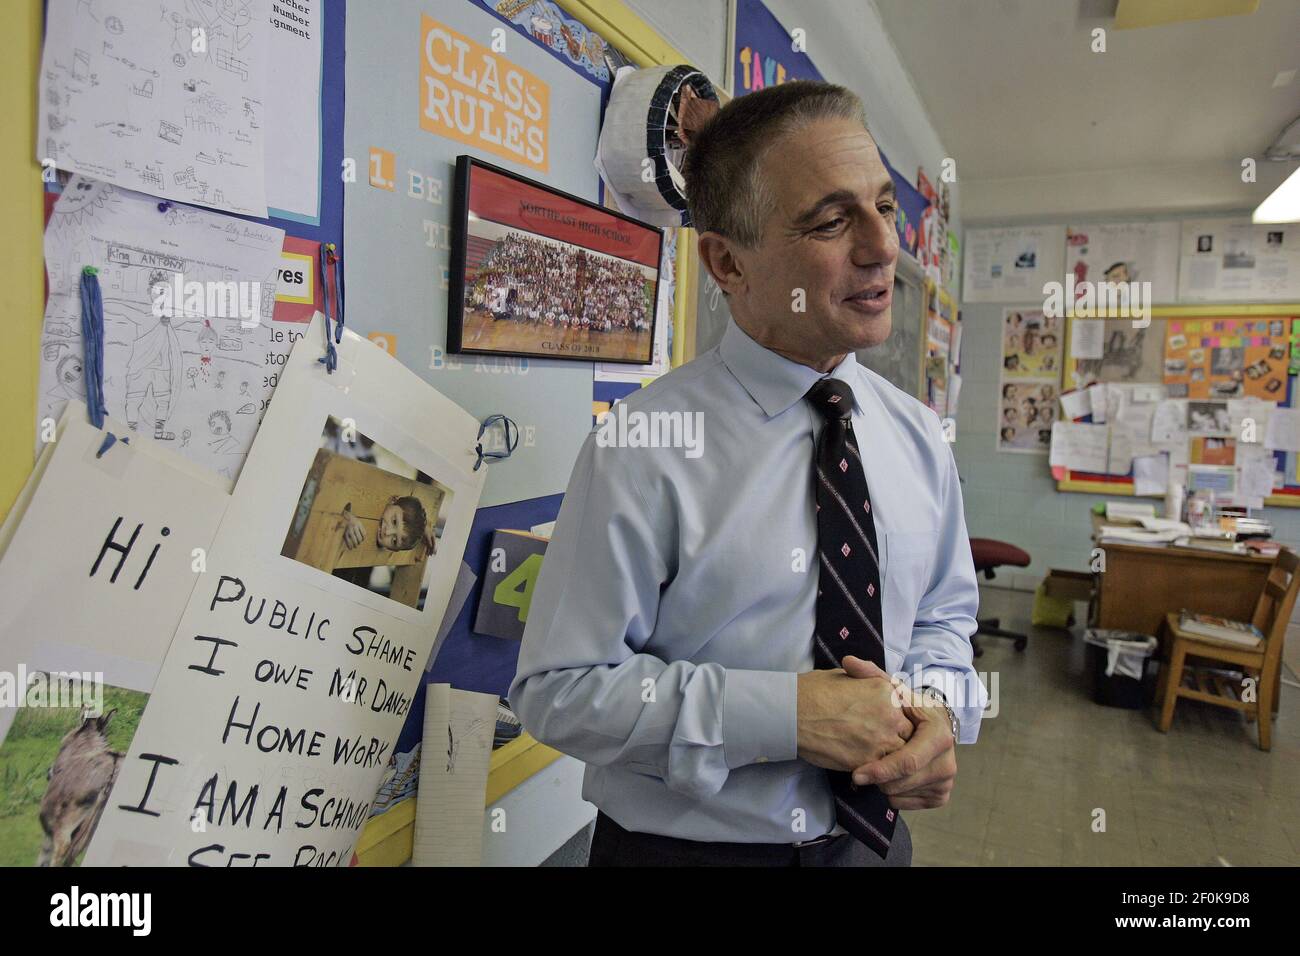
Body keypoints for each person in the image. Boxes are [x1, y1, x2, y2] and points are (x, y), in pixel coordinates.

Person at [510, 81, 984, 867]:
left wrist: (934, 709)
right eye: (833, 220)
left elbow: (943, 616)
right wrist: (784, 715)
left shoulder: (916, 436)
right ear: (727, 261)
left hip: (875, 848)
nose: (881, 248)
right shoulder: (644, 447)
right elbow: (558, 690)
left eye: (883, 208)